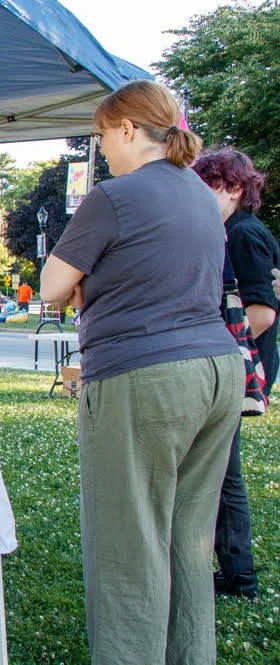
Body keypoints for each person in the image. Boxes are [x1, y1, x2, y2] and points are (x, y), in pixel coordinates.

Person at [40, 80, 241, 665]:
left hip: (144, 375)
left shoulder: (114, 197)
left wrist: (83, 286)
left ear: (127, 129)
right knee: (187, 540)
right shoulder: (202, 195)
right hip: (217, 373)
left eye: (102, 136)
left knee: (129, 543)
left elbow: (53, 286)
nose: (101, 149)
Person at [193, 147, 279, 599]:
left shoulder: (243, 234)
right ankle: (231, 569)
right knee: (221, 471)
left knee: (226, 475)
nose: (203, 195)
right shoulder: (231, 231)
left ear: (236, 188)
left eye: (212, 186)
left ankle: (240, 575)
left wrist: (216, 348)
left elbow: (262, 312)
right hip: (233, 365)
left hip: (239, 366)